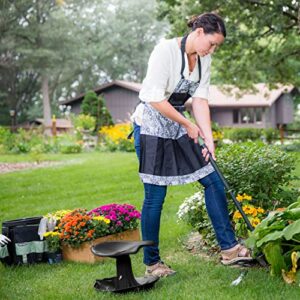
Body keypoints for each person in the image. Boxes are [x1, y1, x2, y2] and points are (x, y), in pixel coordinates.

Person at [131, 12, 253, 277]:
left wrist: (209, 140)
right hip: (150, 125)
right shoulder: (165, 51)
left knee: (213, 180)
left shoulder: (202, 60)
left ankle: (229, 249)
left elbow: (199, 101)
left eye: (216, 46)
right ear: (199, 32)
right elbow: (154, 98)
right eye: (211, 43)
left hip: (179, 125)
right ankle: (153, 263)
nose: (212, 50)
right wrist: (188, 125)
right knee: (155, 197)